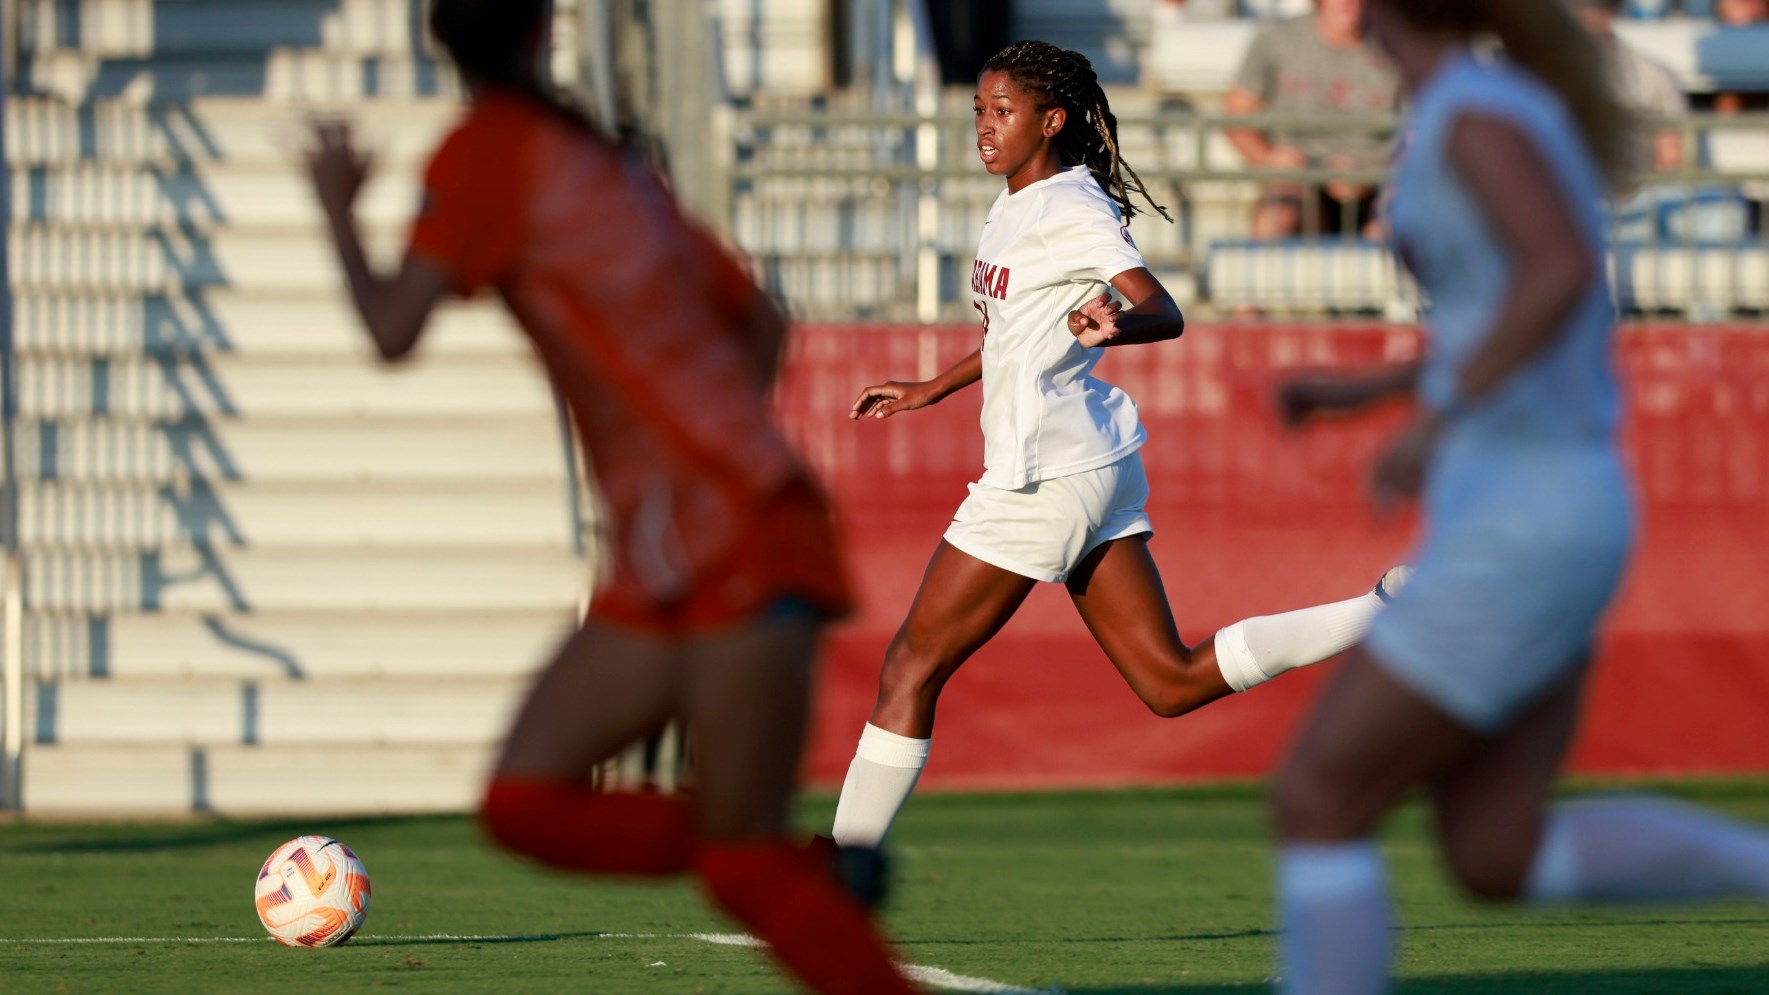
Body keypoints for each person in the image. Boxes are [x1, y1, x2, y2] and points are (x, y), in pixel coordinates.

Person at [302, 2, 917, 992]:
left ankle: (762, 848)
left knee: (691, 852)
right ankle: (792, 854)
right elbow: (760, 325)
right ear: (541, 28)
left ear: (437, 41)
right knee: (527, 803)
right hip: (689, 536)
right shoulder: (605, 166)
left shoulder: (489, 154)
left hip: (743, 532)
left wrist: (334, 201)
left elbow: (390, 329)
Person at [1270, 2, 1769, 992]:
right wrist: (1368, 391)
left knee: (1317, 795)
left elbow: (1556, 270)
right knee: (1493, 851)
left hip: (1525, 514)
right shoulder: (1471, 105)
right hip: (1533, 503)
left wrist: (1431, 413)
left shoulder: (1474, 112)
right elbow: (1514, 302)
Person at [829, 39, 1408, 851]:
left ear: (1051, 119)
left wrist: (1117, 322)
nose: (985, 126)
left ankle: (842, 870)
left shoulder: (1068, 207)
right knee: (1168, 683)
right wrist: (931, 386)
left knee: (909, 668)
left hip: (1042, 476)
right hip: (1088, 461)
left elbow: (1160, 308)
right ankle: (1380, 613)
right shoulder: (1016, 201)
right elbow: (1013, 334)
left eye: (1003, 111)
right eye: (978, 110)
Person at [1223, 0, 1400, 240]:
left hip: (1376, 188)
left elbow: (1422, 130)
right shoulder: (1277, 39)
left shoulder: (1399, 43)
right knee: (1277, 218)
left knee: (1395, 228)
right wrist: (1270, 158)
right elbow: (1236, 116)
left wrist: (1369, 173)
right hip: (1300, 181)